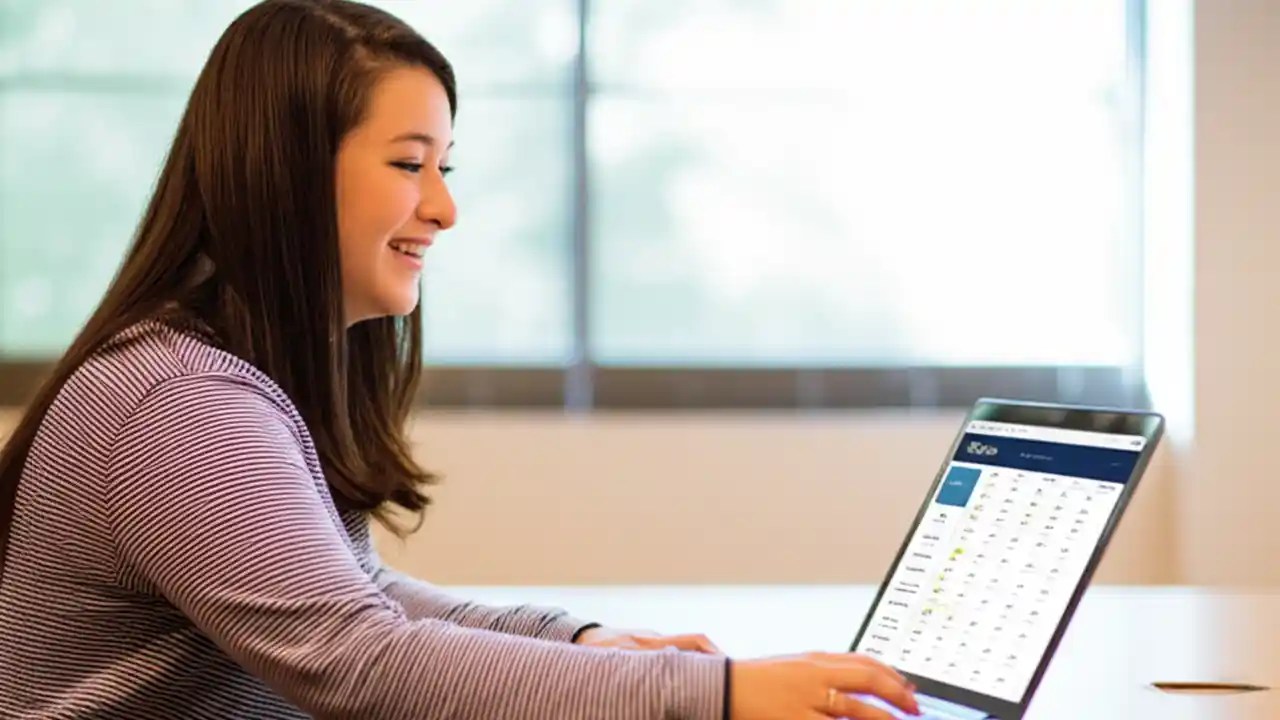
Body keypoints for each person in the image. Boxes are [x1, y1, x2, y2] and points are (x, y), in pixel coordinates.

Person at [0, 1, 920, 718]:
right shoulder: (180, 403)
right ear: (284, 171)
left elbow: (356, 600)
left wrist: (579, 644)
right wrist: (711, 696)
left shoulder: (205, 374)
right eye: (410, 165)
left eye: (448, 167)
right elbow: (359, 662)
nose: (444, 209)